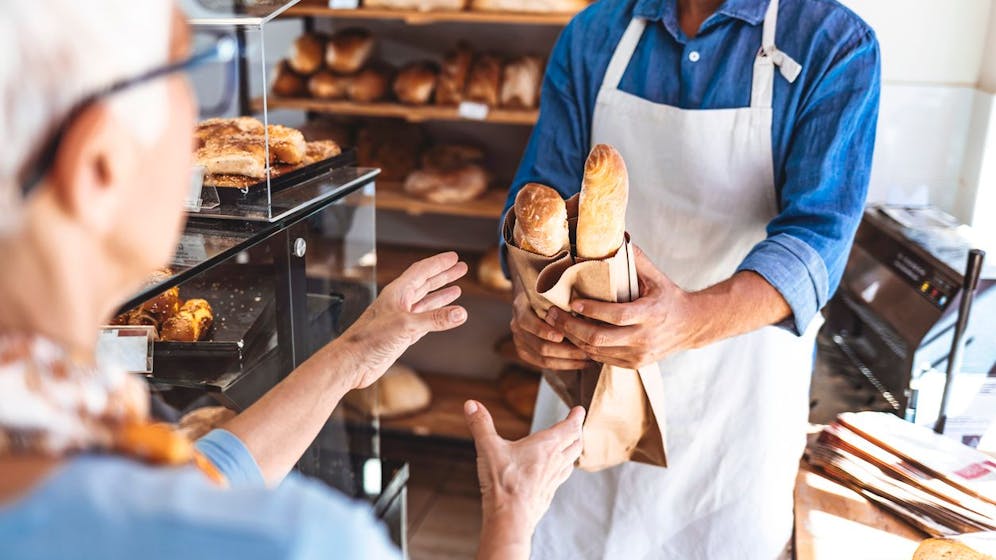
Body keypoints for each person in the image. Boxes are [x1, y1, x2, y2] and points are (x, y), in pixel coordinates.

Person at [0, 2, 584, 559]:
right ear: (100, 164)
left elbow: (204, 479)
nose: (202, 127)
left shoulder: (47, 437)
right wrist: (510, 513)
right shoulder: (294, 543)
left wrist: (354, 352)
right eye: (183, 69)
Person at [505, 0, 881, 558]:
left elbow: (818, 240)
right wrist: (529, 302)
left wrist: (688, 320)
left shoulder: (833, 43)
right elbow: (541, 200)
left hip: (735, 409)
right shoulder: (596, 32)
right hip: (590, 397)